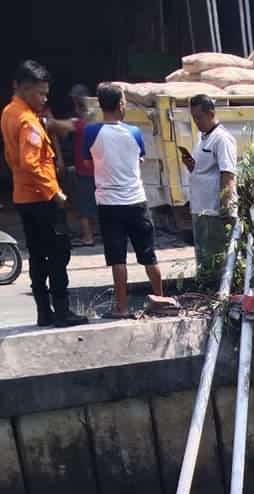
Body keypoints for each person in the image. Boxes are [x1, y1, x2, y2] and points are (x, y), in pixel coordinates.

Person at [1, 60, 87, 327]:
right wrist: (54, 193)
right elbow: (31, 163)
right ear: (25, 89)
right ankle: (61, 312)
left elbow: (14, 158)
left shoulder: (9, 112)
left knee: (37, 255)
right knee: (58, 254)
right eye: (41, 93)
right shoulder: (27, 121)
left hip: (24, 197)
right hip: (42, 199)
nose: (45, 98)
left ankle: (44, 312)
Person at [83, 83, 164, 320]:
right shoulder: (134, 132)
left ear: (101, 105)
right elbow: (139, 159)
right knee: (149, 255)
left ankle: (122, 307)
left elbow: (88, 163)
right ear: (121, 104)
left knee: (117, 258)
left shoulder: (91, 132)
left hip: (109, 204)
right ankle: (161, 301)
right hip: (137, 201)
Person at [180, 94, 237, 289]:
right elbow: (203, 170)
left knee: (216, 258)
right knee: (204, 256)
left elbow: (227, 174)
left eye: (199, 117)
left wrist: (225, 206)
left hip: (214, 211)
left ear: (211, 114)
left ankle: (218, 294)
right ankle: (206, 293)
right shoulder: (202, 138)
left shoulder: (222, 139)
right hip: (200, 208)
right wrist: (191, 166)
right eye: (193, 117)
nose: (196, 122)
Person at [68, 85, 95, 246]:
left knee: (83, 205)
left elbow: (59, 125)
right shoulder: (95, 119)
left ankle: (88, 237)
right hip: (97, 168)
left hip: (85, 169)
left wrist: (48, 119)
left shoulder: (81, 123)